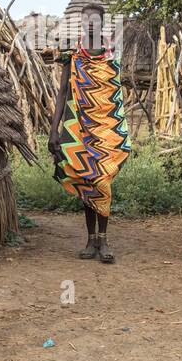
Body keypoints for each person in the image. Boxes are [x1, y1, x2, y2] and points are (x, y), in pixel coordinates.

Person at [48, 40, 132, 263]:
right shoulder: (72, 56)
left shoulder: (111, 57)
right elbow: (63, 92)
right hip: (78, 128)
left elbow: (115, 98)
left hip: (106, 130)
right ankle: (90, 239)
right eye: (87, 21)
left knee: (102, 180)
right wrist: (54, 130)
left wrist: (119, 130)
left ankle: (103, 240)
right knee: (86, 180)